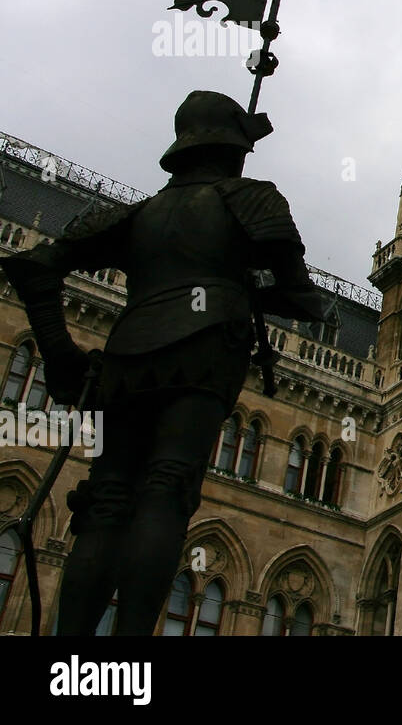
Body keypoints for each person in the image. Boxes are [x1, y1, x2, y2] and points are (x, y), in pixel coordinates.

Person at [1, 91, 324, 635]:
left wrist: (60, 355)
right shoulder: (254, 201)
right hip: (199, 359)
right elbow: (303, 301)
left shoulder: (137, 215)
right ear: (233, 147)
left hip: (124, 363)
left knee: (105, 502)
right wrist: (240, 290)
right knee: (167, 493)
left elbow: (35, 268)